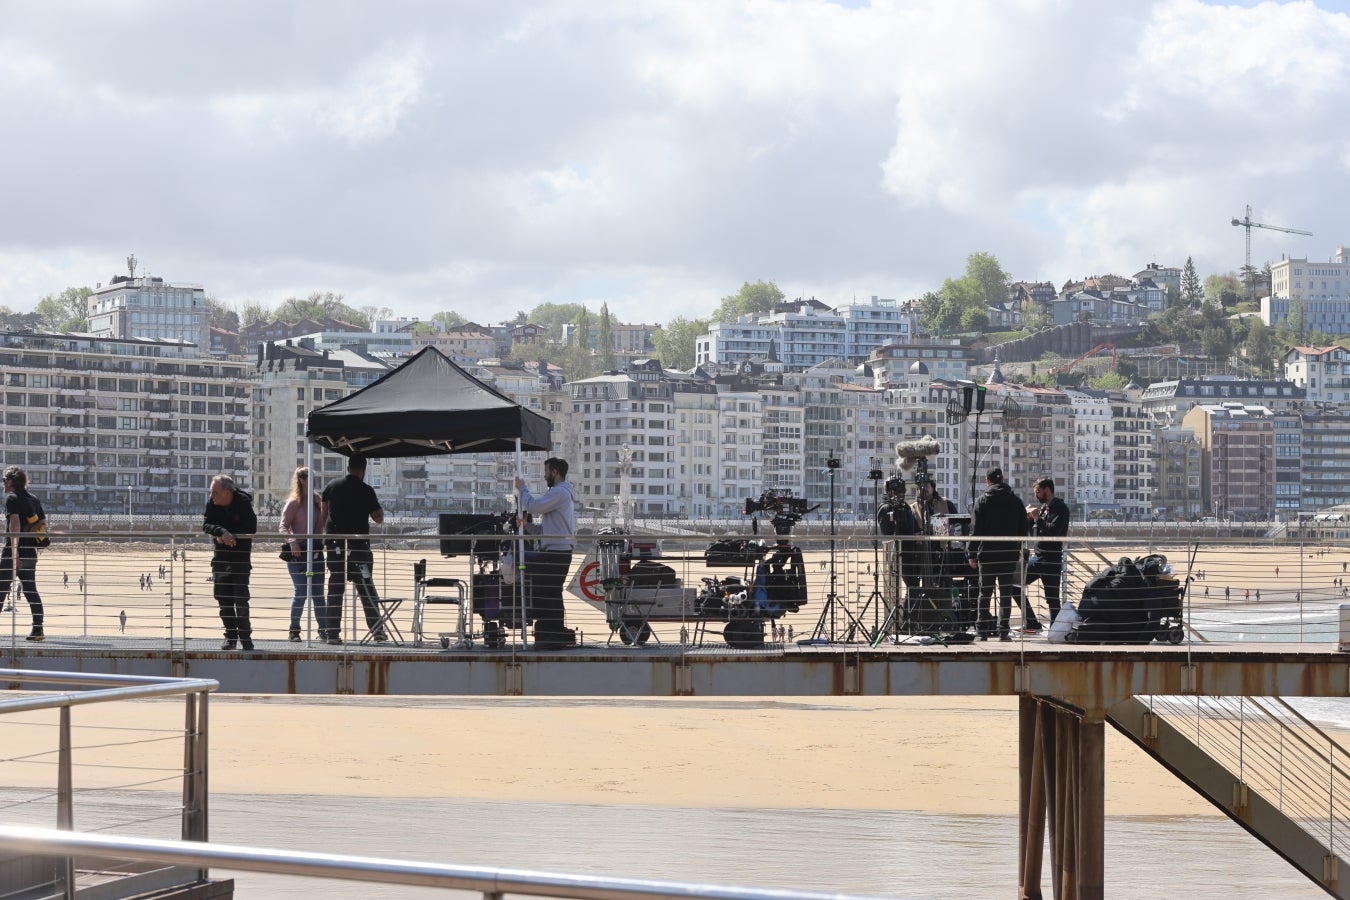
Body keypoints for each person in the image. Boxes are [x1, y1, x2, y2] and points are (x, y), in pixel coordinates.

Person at [321, 455, 385, 645]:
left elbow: (323, 516)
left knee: (335, 589)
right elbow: (378, 518)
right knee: (366, 590)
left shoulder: (331, 486)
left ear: (348, 467)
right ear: (363, 470)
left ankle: (332, 634)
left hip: (335, 547)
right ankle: (378, 632)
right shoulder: (366, 490)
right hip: (359, 549)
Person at [514, 457, 577, 649]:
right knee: (551, 592)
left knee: (549, 592)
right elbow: (546, 531)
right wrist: (527, 526)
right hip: (557, 551)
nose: (544, 476)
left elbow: (532, 506)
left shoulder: (559, 492)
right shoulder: (560, 493)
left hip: (557, 553)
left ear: (555, 472)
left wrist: (522, 487)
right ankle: (552, 632)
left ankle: (553, 633)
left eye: (546, 471)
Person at [968, 467, 1030, 641]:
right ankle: (1003, 631)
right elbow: (1023, 530)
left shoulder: (982, 501)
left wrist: (971, 554)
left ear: (987, 481)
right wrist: (1017, 547)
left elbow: (975, 531)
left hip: (986, 555)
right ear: (1003, 479)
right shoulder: (1016, 501)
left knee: (984, 593)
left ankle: (981, 631)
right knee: (1005, 593)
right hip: (1008, 555)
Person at [201, 474, 256, 651]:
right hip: (220, 558)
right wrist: (221, 532)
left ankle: (246, 638)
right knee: (223, 599)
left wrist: (232, 535)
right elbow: (206, 525)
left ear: (227, 492)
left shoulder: (243, 502)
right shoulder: (212, 503)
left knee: (240, 600)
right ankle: (230, 637)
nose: (212, 495)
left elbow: (251, 528)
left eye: (215, 492)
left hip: (240, 559)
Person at [280, 466, 325, 643]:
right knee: (301, 592)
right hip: (298, 552)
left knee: (318, 593)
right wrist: (292, 542)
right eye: (310, 477)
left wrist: (321, 505)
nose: (314, 480)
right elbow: (283, 526)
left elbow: (322, 524)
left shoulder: (316, 501)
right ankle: (294, 630)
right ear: (302, 480)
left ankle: (324, 630)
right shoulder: (294, 502)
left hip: (315, 550)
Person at [4, 466, 46, 641]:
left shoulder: (12, 498)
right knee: (31, 591)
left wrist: (15, 555)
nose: (3, 483)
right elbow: (43, 522)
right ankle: (38, 630)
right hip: (31, 553)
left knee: (1, 590)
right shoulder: (33, 499)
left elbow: (15, 525)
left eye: (4, 479)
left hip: (14, 553)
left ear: (11, 481)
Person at [1024, 476, 1071, 626]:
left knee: (1052, 598)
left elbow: (1054, 531)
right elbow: (1034, 534)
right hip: (1038, 558)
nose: (1036, 495)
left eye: (1038, 492)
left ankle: (1055, 630)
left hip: (1051, 559)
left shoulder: (1060, 508)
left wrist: (1037, 518)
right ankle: (1031, 621)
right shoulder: (1044, 508)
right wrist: (1029, 519)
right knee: (1014, 584)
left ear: (1047, 490)